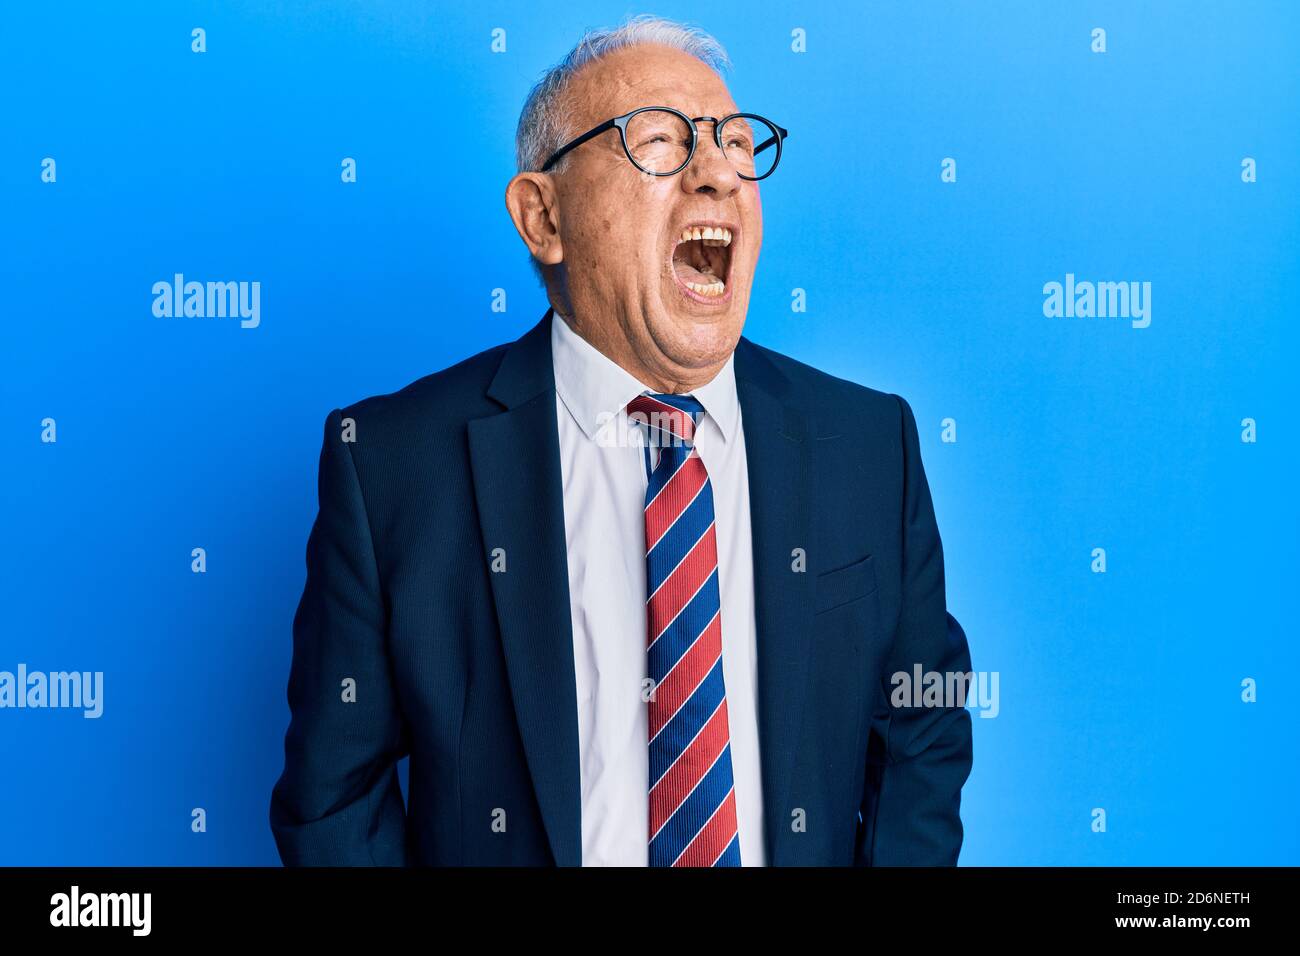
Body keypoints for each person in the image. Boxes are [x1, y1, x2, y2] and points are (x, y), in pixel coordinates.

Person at [270, 14, 973, 867]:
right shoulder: (388, 466)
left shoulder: (871, 445)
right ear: (542, 217)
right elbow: (332, 804)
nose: (718, 172)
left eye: (735, 142)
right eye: (661, 142)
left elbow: (921, 737)